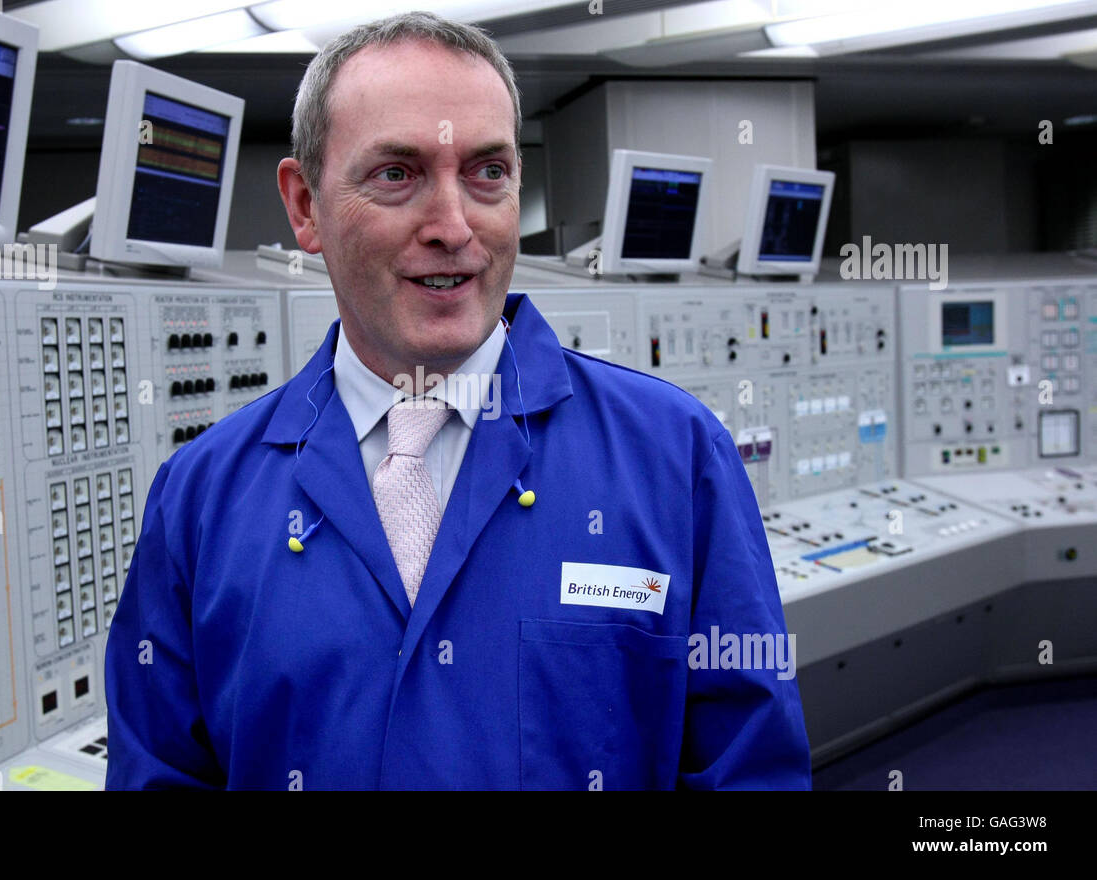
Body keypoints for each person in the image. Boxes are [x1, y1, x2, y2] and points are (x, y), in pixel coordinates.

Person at [105, 11, 810, 790]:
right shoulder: (201, 501)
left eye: (487, 172)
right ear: (305, 206)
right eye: (396, 174)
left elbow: (753, 773)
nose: (452, 225)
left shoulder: (676, 457)